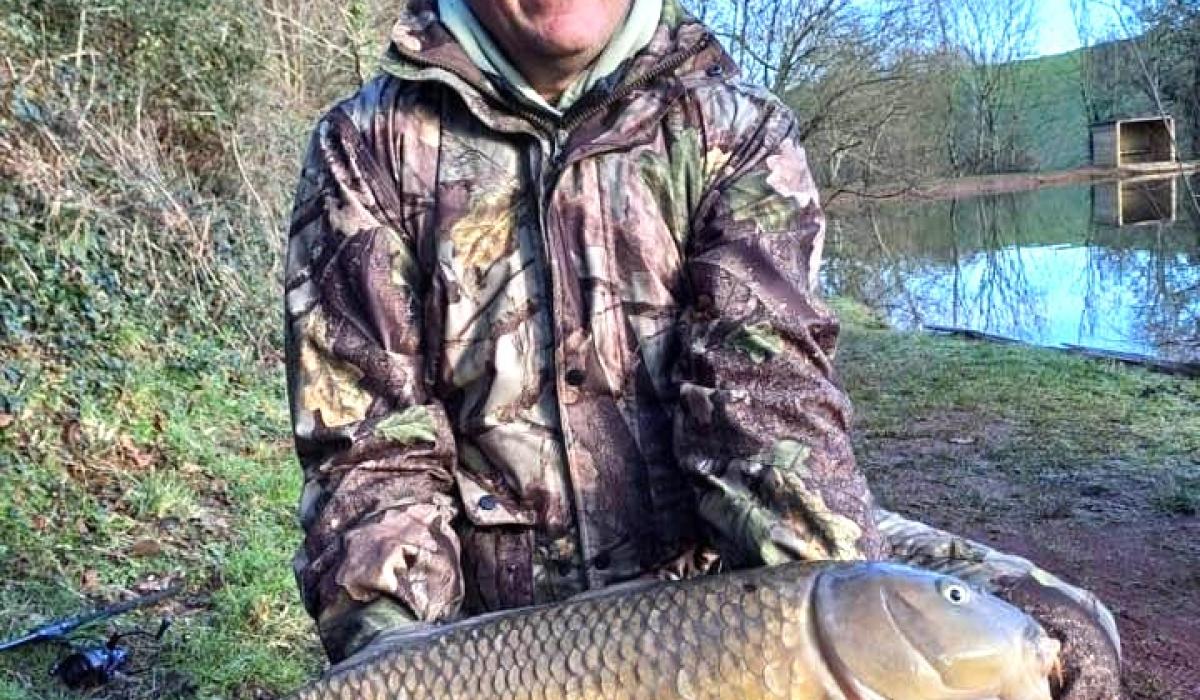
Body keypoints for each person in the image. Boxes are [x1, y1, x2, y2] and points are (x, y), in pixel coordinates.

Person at [284, 0, 1121, 696]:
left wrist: (810, 641)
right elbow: (371, 460)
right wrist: (399, 659)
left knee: (1055, 626)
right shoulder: (364, 148)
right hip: (493, 610)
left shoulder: (735, 129)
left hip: (713, 586)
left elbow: (767, 412)